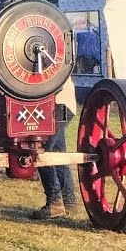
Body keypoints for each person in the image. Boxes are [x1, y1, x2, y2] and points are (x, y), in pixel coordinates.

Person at [31, 76, 79, 220]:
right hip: (65, 105)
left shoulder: (46, 62)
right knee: (58, 154)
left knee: (42, 152)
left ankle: (55, 203)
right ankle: (68, 201)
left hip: (56, 105)